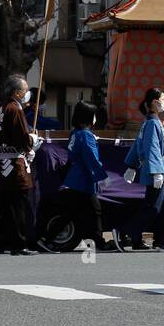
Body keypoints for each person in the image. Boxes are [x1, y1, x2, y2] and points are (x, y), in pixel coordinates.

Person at [123, 88, 164, 251]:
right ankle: (128, 232)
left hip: (162, 169)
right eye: (162, 98)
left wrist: (132, 165)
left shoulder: (151, 121)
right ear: (154, 102)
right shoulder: (152, 123)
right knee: (153, 206)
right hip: (157, 171)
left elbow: (139, 144)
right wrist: (156, 172)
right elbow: (150, 148)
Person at [0, 74, 41, 256]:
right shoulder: (15, 110)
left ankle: (8, 241)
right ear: (18, 93)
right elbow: (21, 138)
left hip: (2, 163)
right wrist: (32, 140)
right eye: (25, 90)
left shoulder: (2, 108)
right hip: (14, 164)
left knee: (8, 205)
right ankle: (19, 243)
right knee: (18, 205)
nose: (27, 94)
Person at [59, 100, 113, 251]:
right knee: (94, 211)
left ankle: (48, 237)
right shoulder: (86, 135)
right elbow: (91, 158)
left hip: (75, 178)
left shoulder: (76, 133)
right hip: (83, 180)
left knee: (78, 212)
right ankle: (99, 242)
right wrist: (103, 176)